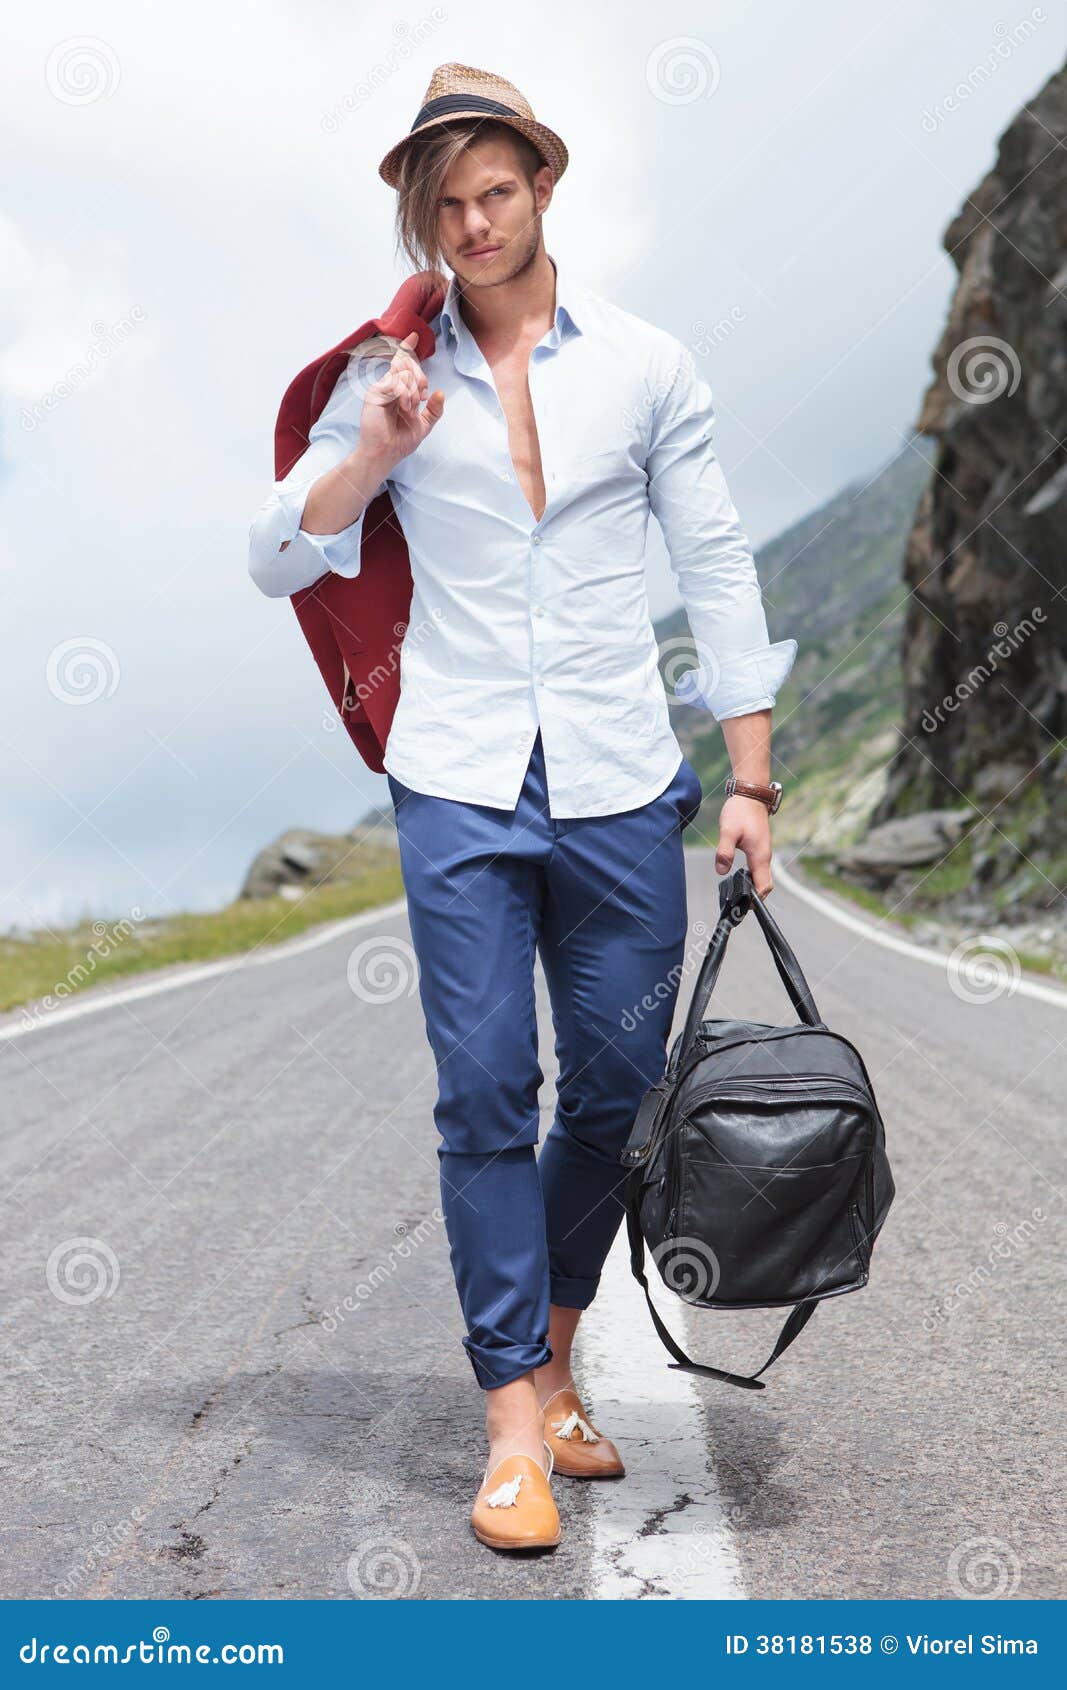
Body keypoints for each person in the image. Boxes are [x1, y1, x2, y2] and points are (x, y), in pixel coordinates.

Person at [248, 62, 797, 1553]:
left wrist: (749, 774)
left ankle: (556, 1353)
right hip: (461, 779)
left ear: (543, 188)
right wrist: (377, 453)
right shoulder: (389, 374)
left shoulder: (647, 365)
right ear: (424, 221)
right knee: (487, 1087)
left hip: (624, 780)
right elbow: (273, 554)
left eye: (497, 192)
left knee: (614, 1102)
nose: (476, 222)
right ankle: (511, 1419)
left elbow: (722, 562)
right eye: (449, 204)